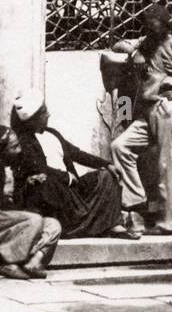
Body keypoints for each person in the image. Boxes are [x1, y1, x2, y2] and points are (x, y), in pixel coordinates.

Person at [109, 5, 172, 236]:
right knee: (120, 147)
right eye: (150, 24)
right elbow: (118, 45)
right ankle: (135, 203)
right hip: (147, 113)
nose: (153, 28)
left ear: (167, 25)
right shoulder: (145, 43)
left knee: (168, 167)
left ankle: (170, 222)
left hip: (168, 110)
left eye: (158, 24)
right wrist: (135, 54)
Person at [9, 92, 124, 238]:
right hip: (55, 191)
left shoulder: (53, 133)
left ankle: (108, 223)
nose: (48, 115)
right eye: (44, 112)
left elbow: (76, 153)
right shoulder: (24, 142)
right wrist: (66, 177)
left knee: (106, 176)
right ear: (34, 118)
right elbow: (37, 169)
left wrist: (106, 164)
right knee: (44, 183)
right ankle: (76, 226)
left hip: (72, 190)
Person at [0, 125, 62, 279]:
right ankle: (7, 262)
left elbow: (15, 198)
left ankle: (34, 261)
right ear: (1, 150)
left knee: (53, 225)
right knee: (35, 219)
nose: (19, 150)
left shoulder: (14, 167)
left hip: (12, 217)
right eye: (15, 147)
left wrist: (28, 183)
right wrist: (25, 211)